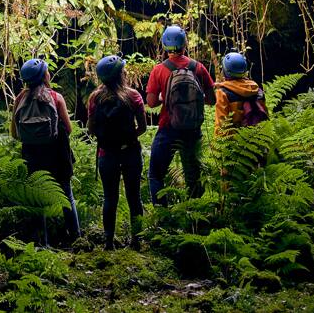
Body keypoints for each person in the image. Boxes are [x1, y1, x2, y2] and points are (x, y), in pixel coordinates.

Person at [11, 58, 81, 244]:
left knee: (38, 199)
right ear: (44, 76)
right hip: (57, 155)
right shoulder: (56, 97)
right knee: (67, 196)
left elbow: (14, 133)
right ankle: (76, 238)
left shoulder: (19, 99)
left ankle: (42, 244)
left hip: (32, 156)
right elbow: (68, 128)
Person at [145, 25, 215, 205]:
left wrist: (163, 97)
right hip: (192, 129)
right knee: (193, 177)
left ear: (164, 45)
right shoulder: (198, 68)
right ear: (185, 44)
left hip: (168, 128)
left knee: (155, 175)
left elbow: (151, 103)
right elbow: (211, 100)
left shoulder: (159, 70)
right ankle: (196, 219)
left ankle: (163, 219)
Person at [86, 55, 146, 249]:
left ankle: (109, 242)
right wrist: (129, 138)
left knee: (110, 198)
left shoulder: (95, 98)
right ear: (121, 74)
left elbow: (91, 128)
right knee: (134, 197)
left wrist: (107, 141)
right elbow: (143, 127)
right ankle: (137, 240)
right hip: (130, 152)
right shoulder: (133, 96)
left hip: (106, 154)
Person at [213, 51, 268, 137]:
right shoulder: (257, 89)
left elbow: (221, 125)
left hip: (235, 143)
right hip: (258, 138)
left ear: (225, 71)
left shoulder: (222, 93)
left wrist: (217, 148)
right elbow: (265, 117)